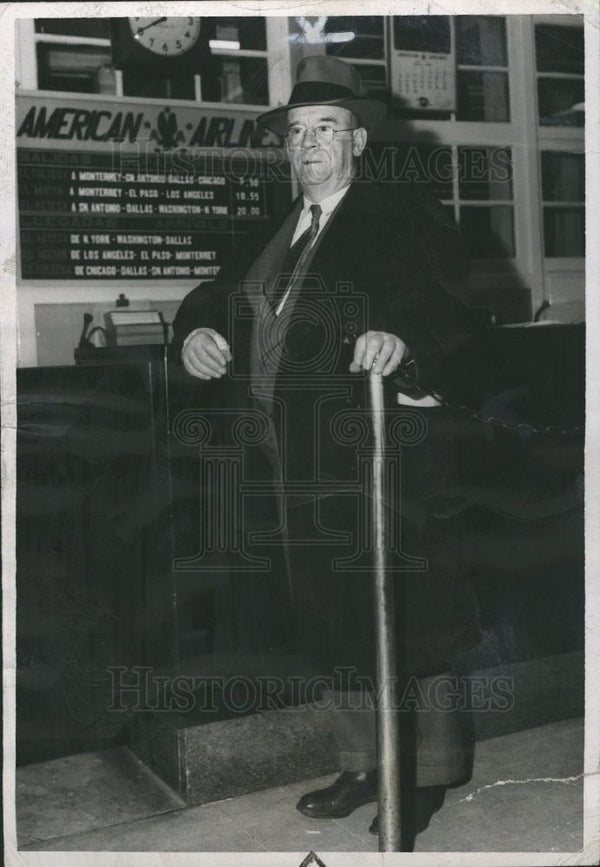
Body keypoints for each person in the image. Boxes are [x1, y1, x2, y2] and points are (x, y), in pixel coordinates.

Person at [172, 55, 480, 845]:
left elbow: (454, 311)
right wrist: (198, 332)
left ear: (360, 141)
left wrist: (403, 339)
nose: (308, 145)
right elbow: (215, 296)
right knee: (330, 611)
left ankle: (423, 775)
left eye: (326, 129)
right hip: (292, 458)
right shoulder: (271, 231)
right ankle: (361, 759)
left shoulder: (401, 218)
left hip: (385, 452)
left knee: (407, 613)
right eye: (296, 132)